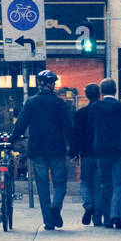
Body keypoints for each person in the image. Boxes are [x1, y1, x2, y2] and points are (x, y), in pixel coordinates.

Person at [10, 70, 72, 230]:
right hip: (56, 149)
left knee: (42, 186)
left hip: (37, 150)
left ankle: (48, 222)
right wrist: (73, 147)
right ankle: (56, 207)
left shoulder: (30, 102)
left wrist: (11, 141)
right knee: (59, 184)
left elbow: (21, 125)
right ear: (51, 84)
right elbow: (68, 127)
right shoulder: (59, 103)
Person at [89, 78, 121, 229]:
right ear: (116, 90)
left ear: (101, 91)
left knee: (105, 185)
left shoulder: (95, 107)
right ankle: (117, 216)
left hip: (102, 152)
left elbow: (91, 127)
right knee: (119, 184)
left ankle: (107, 219)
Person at [73, 83, 106, 227]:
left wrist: (75, 151)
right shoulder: (104, 111)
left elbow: (76, 134)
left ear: (86, 95)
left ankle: (88, 204)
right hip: (101, 153)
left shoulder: (81, 113)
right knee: (98, 186)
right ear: (99, 93)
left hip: (86, 154)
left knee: (85, 182)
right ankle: (97, 219)